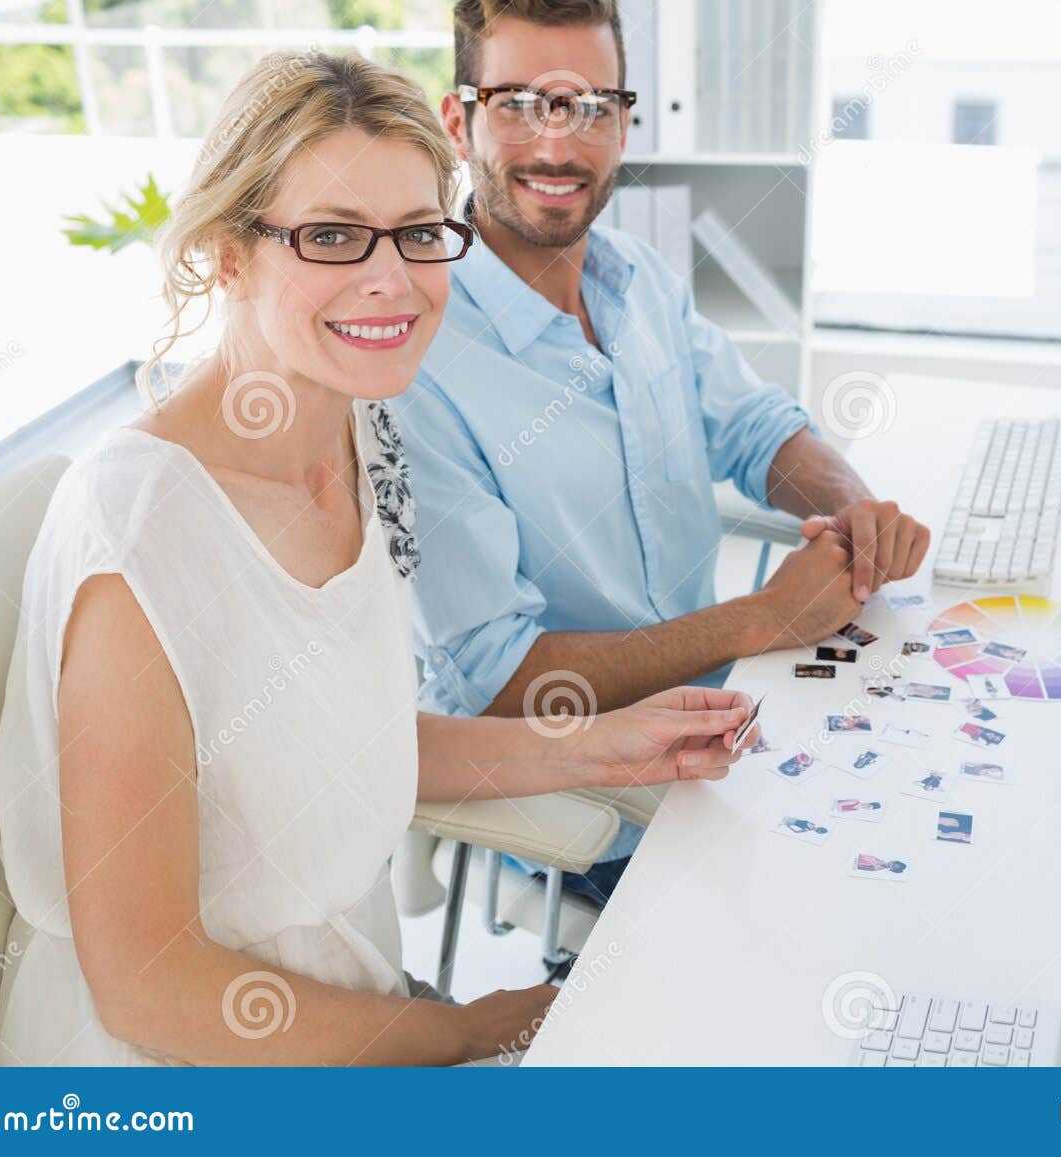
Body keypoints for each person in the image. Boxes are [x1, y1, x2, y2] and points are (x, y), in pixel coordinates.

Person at [0, 50, 756, 1067]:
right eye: (334, 236)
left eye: (417, 234)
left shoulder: (368, 432)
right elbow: (149, 986)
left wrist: (601, 743)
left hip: (354, 1004)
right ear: (229, 253)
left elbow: (352, 741)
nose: (392, 281)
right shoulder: (143, 523)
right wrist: (461, 1029)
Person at [392, 0, 931, 902]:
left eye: (592, 106)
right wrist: (758, 620)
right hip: (596, 788)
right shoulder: (418, 363)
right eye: (521, 103)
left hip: (744, 708)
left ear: (624, 121)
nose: (559, 146)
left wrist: (856, 509)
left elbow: (758, 427)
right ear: (461, 121)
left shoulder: (637, 279)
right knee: (846, 915)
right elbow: (498, 682)